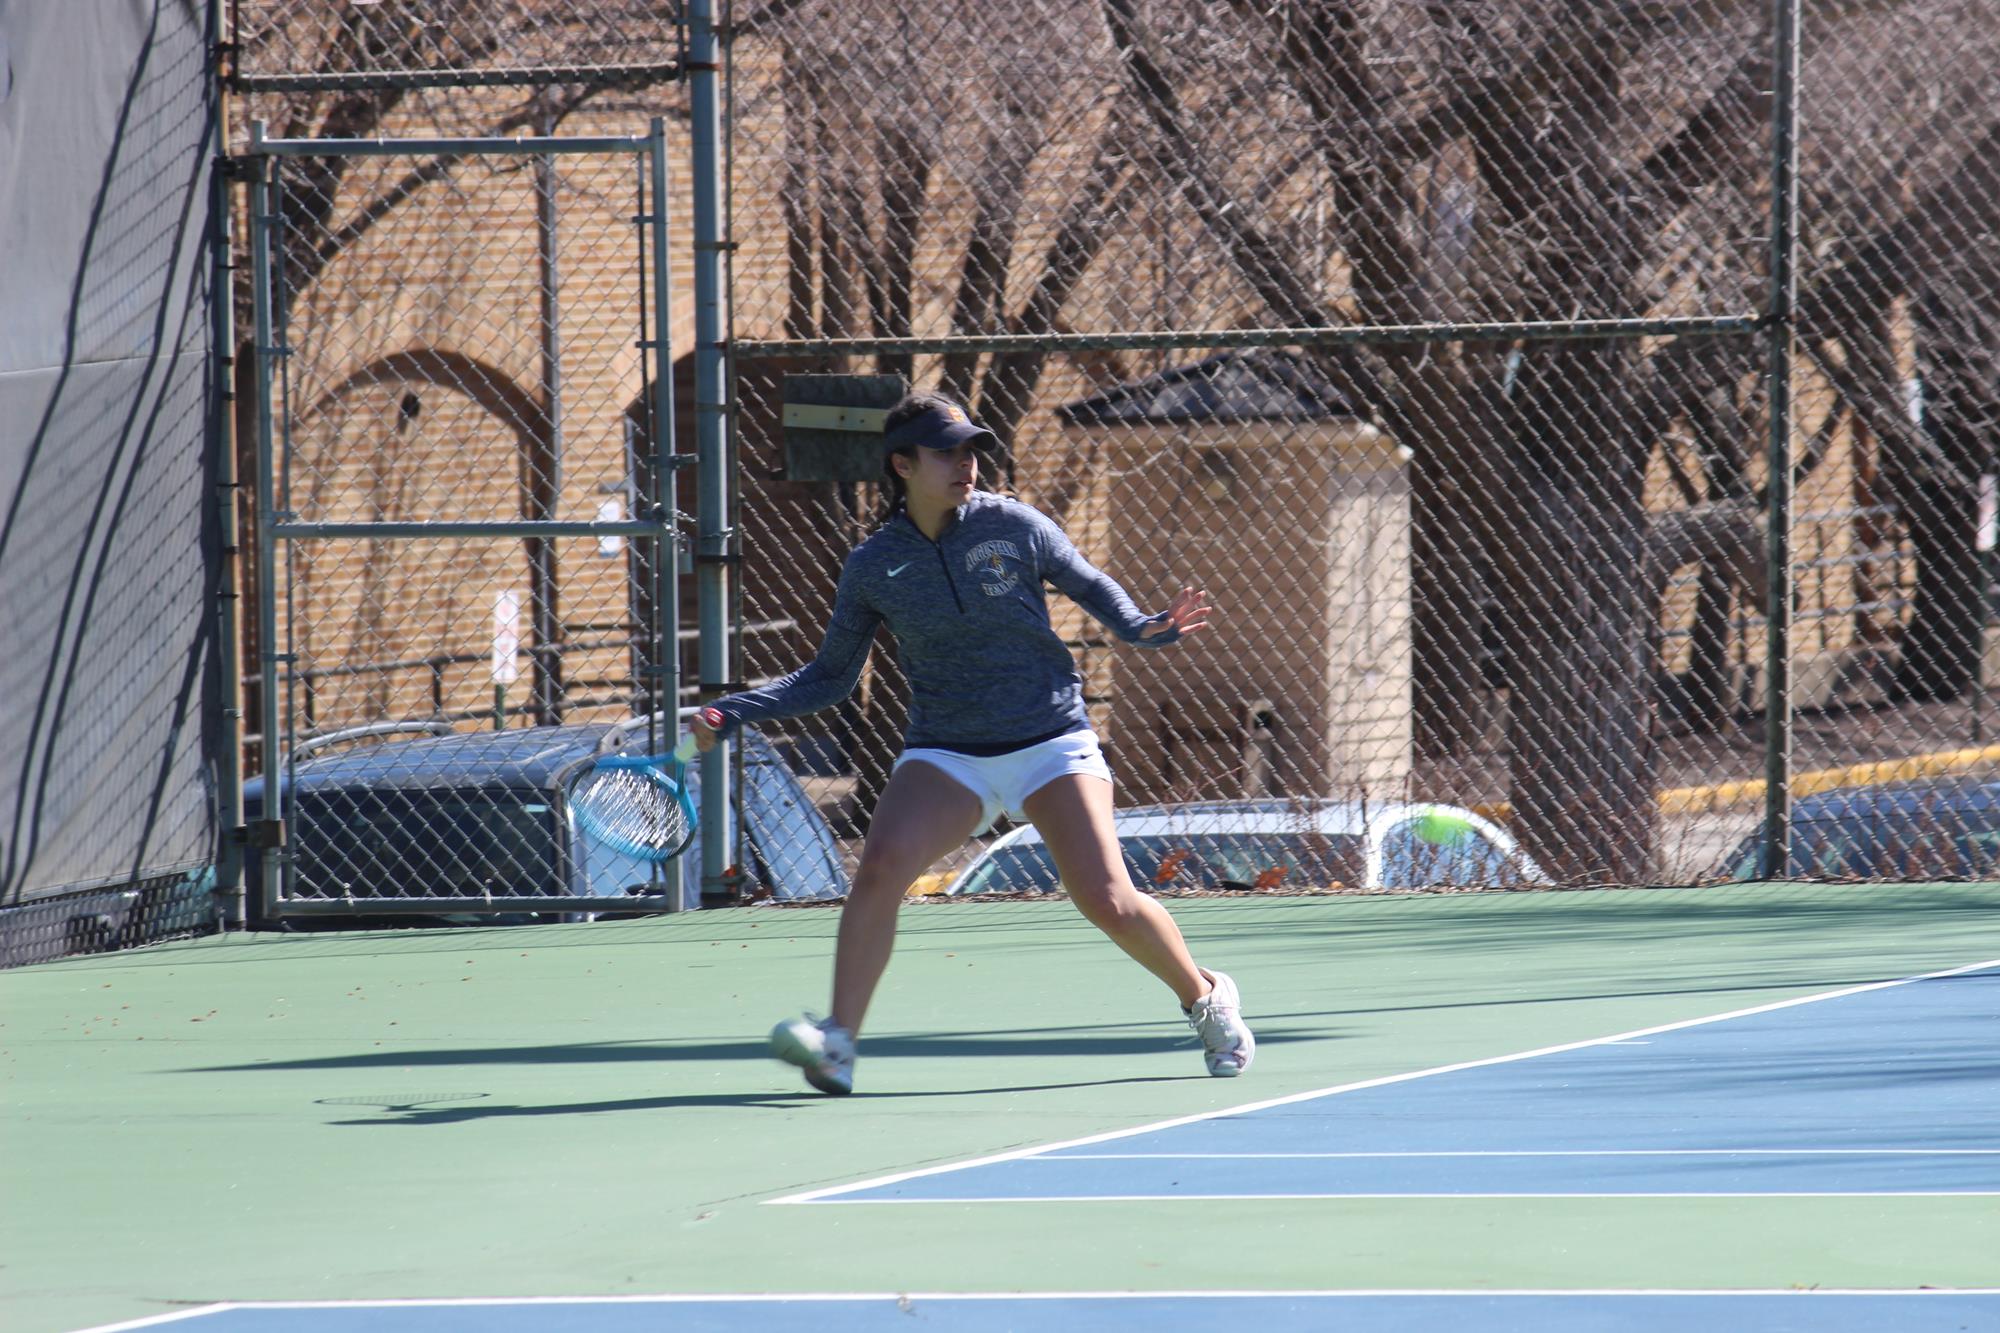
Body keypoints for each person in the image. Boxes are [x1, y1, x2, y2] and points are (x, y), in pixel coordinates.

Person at [694, 391, 1253, 1095]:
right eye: (946, 451)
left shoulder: (1015, 526)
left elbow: (1089, 582)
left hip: (1050, 738)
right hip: (947, 751)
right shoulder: (874, 563)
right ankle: (838, 1040)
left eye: (969, 448)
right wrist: (733, 711)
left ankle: (1205, 997)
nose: (966, 462)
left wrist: (1141, 625)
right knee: (878, 868)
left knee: (1106, 897)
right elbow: (831, 677)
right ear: (902, 464)